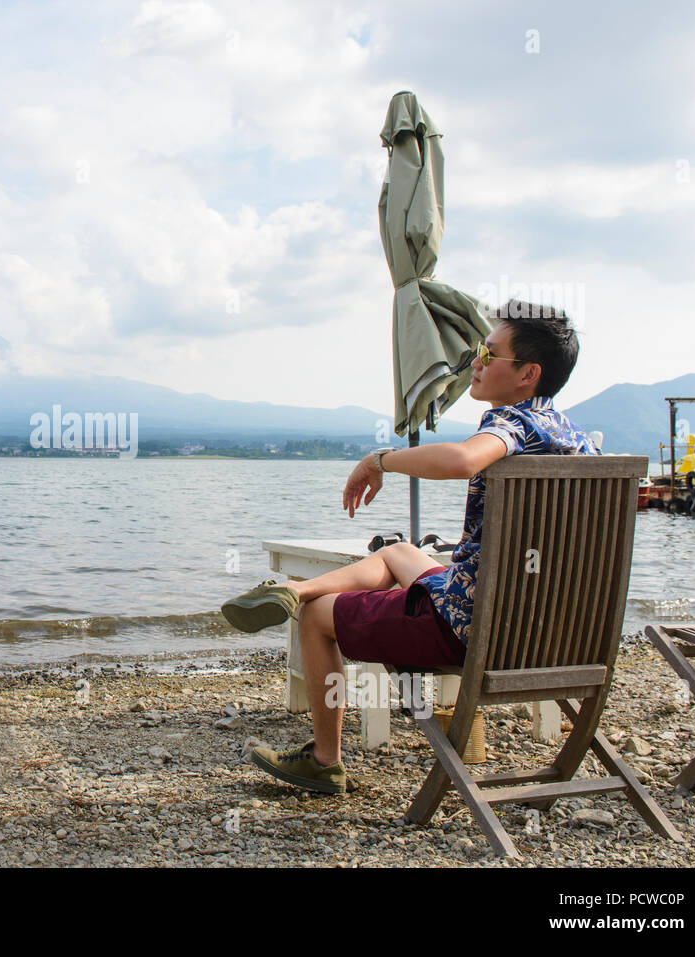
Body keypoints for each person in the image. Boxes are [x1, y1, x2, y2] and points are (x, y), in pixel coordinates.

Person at [220, 300, 600, 793]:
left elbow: (465, 459)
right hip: (557, 631)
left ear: (529, 373)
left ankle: (323, 759)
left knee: (316, 620)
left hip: (478, 629)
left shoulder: (513, 426)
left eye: (489, 351)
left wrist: (382, 459)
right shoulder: (576, 440)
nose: (476, 361)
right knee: (397, 552)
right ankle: (299, 586)